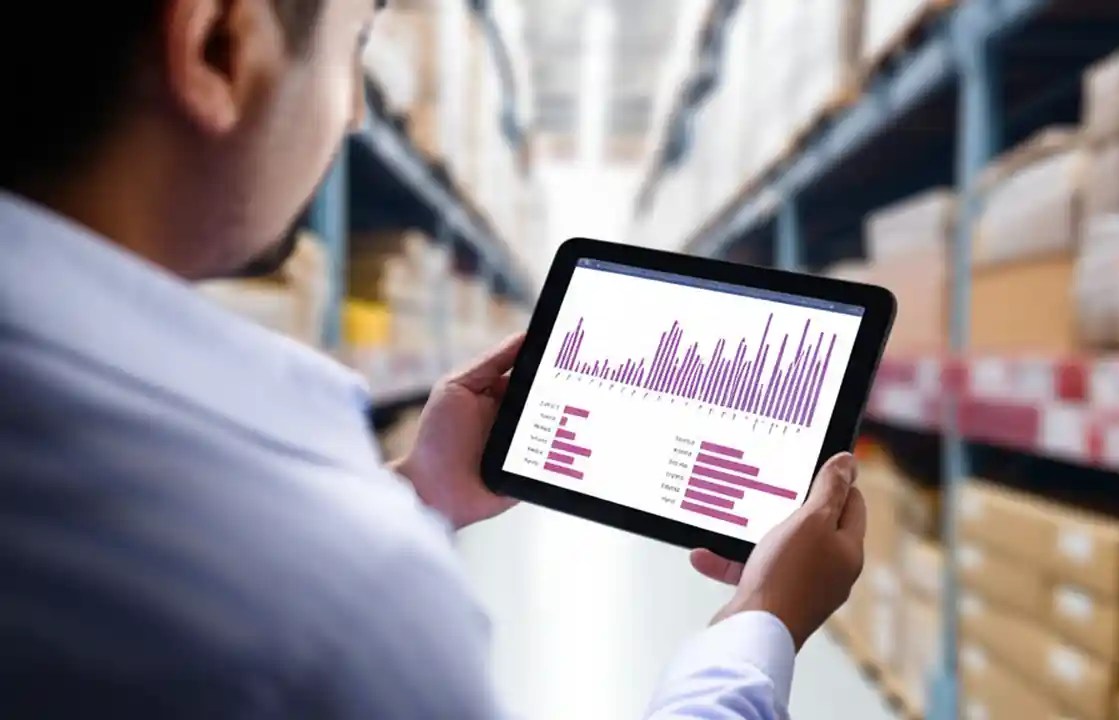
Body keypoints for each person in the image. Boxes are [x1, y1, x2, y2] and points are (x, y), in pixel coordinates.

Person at [0, 0, 867, 717]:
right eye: (356, 44)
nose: (355, 112)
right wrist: (762, 620)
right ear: (217, 49)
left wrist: (421, 489)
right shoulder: (347, 609)